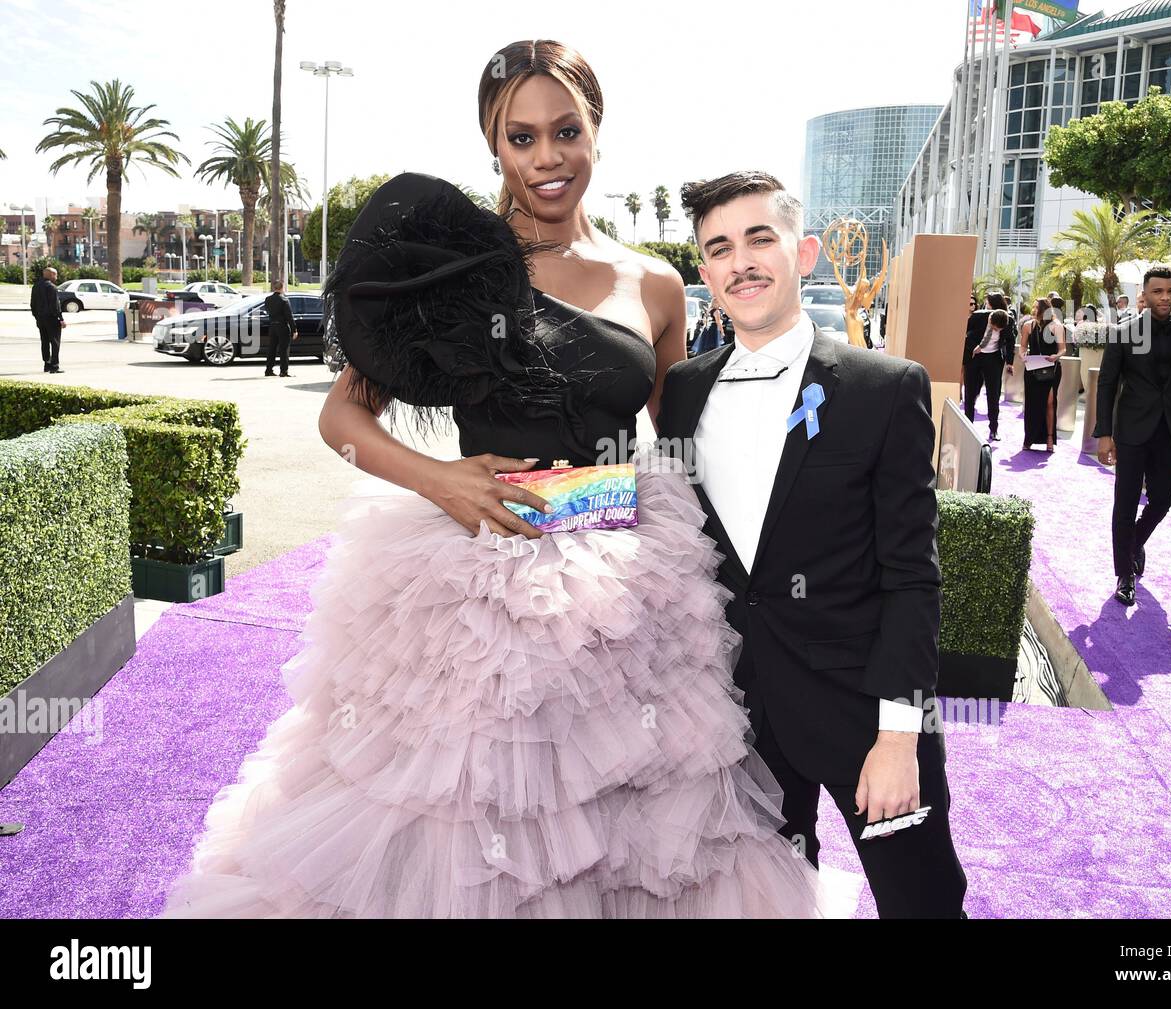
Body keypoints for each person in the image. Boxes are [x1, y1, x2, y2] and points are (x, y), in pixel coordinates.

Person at [158, 40, 825, 919]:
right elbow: (342, 419)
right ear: (493, 145)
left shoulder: (657, 283)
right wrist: (445, 482)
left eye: (565, 131)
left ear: (595, 133)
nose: (546, 158)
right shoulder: (450, 269)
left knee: (640, 822)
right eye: (521, 137)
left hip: (627, 584)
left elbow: (676, 441)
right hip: (479, 582)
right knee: (468, 819)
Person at [658, 171, 968, 919]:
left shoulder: (884, 387)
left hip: (867, 712)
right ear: (706, 273)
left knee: (923, 903)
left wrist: (899, 735)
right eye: (720, 248)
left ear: (805, 251)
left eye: (760, 237)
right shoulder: (683, 392)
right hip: (738, 717)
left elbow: (912, 576)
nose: (743, 262)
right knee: (766, 903)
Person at [1093, 265, 1171, 606]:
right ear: (1145, 294)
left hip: (1170, 430)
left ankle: (1134, 541)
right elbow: (1108, 384)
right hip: (1131, 429)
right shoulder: (1124, 332)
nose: (1165, 298)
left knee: (1165, 498)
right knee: (1124, 502)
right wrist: (1104, 434)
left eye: (1170, 291)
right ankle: (1125, 575)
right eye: (1158, 292)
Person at [962, 291, 1014, 441]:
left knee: (994, 394)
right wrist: (974, 347)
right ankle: (968, 425)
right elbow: (964, 334)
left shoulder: (1007, 319)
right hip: (974, 357)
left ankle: (994, 429)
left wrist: (1010, 362)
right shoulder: (978, 316)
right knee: (970, 392)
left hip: (993, 359)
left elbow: (1010, 341)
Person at [1018, 297, 1064, 451]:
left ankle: (1049, 438)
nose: (1034, 309)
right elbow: (1022, 346)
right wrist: (1022, 355)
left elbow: (1062, 349)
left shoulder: (1056, 326)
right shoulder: (1027, 325)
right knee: (1032, 404)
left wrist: (1055, 357)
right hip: (1032, 369)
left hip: (1052, 369)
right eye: (1034, 306)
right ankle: (1029, 438)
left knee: (1050, 402)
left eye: (1037, 307)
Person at [30, 266, 65, 374]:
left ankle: (47, 364)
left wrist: (37, 317)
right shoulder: (52, 287)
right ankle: (54, 366)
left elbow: (33, 304)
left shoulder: (35, 286)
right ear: (51, 275)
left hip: (41, 319)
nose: (56, 276)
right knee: (55, 342)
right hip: (51, 319)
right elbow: (55, 306)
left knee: (44, 342)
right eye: (55, 274)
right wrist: (61, 319)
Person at [263, 280, 297, 377]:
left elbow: (267, 311)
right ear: (282, 288)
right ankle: (283, 371)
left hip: (272, 326)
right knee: (284, 349)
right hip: (282, 326)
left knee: (272, 349)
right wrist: (294, 330)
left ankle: (268, 370)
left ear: (274, 288)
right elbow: (289, 316)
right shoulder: (284, 300)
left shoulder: (268, 299)